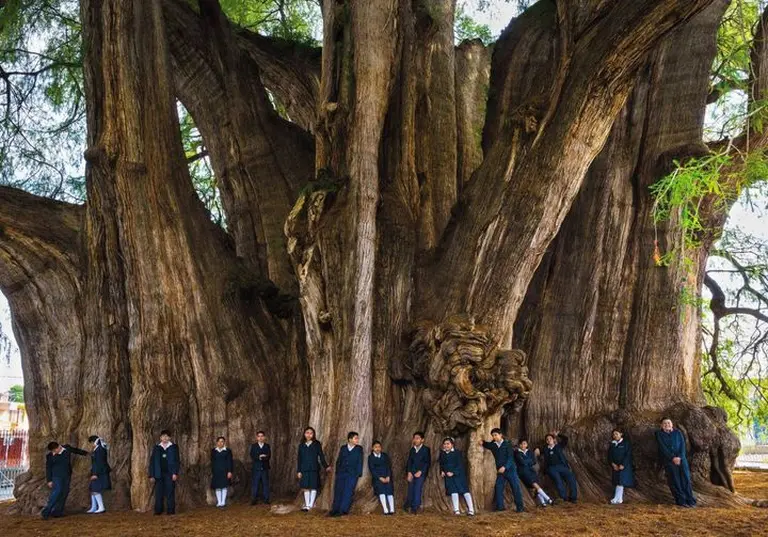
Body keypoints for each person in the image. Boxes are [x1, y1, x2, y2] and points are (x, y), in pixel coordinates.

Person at [479, 428, 525, 512]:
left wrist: (505, 467)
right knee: (498, 486)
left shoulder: (507, 444)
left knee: (515, 487)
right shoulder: (493, 445)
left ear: (500, 435)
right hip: (500, 471)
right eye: (493, 436)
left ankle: (520, 507)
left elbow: (510, 458)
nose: (494, 437)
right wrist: (483, 442)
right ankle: (500, 507)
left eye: (495, 435)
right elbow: (487, 445)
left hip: (510, 470)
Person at [41, 441, 88, 520]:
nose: (54, 452)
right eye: (53, 451)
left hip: (67, 475)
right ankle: (46, 511)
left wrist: (86, 453)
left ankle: (57, 512)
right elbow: (48, 468)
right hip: (56, 476)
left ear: (58, 447)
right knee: (57, 492)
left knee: (65, 492)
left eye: (55, 450)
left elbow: (76, 450)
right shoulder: (50, 456)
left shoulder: (67, 448)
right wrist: (49, 480)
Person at [655, 418, 696, 507]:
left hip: (682, 460)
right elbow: (663, 448)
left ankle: (690, 500)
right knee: (675, 481)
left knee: (686, 479)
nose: (667, 425)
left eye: (668, 423)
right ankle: (681, 501)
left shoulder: (678, 433)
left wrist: (680, 457)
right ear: (661, 426)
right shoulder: (659, 434)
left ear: (672, 424)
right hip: (669, 461)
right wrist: (672, 458)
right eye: (664, 423)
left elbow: (682, 446)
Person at [329, 431, 364, 517]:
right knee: (338, 490)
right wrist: (337, 471)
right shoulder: (343, 448)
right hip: (341, 473)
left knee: (348, 491)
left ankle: (343, 510)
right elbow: (339, 460)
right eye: (355, 438)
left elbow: (360, 461)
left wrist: (358, 473)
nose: (357, 440)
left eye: (357, 438)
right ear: (350, 439)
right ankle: (335, 509)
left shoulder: (359, 449)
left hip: (352, 474)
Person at [297, 426, 331, 511]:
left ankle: (311, 505)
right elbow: (299, 459)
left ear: (313, 434)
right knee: (305, 487)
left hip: (314, 468)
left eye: (311, 433)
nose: (309, 435)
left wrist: (326, 466)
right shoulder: (301, 445)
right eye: (307, 433)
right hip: (304, 469)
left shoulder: (317, 444)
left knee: (313, 486)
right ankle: (307, 504)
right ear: (304, 434)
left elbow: (321, 456)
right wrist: (299, 471)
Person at [439, 437, 475, 516]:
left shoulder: (457, 453)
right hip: (448, 475)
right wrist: (442, 471)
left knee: (465, 491)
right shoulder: (442, 453)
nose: (446, 445)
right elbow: (442, 464)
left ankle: (471, 510)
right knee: (453, 491)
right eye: (444, 444)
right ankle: (456, 510)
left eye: (448, 444)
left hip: (459, 475)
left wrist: (453, 472)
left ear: (452, 445)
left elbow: (460, 464)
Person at [149, 430, 180, 515]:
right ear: (160, 438)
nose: (165, 438)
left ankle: (170, 511)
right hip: (158, 473)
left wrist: (175, 473)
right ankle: (158, 510)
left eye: (167, 436)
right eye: (163, 436)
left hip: (170, 473)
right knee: (159, 492)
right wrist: (151, 475)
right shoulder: (157, 448)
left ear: (169, 438)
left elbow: (177, 461)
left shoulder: (173, 447)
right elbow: (152, 462)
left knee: (170, 492)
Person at [514, 439, 553, 507]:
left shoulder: (530, 452)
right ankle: (548, 499)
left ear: (527, 445)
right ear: (519, 445)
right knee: (534, 483)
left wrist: (527, 461)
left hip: (531, 470)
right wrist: (528, 461)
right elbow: (522, 462)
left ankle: (543, 503)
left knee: (536, 484)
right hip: (523, 472)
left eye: (524, 444)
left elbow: (534, 461)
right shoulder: (517, 453)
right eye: (521, 444)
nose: (523, 445)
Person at [542, 432, 578, 503]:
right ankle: (564, 497)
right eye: (547, 439)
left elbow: (565, 439)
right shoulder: (545, 449)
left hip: (562, 466)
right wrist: (536, 448)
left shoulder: (558, 446)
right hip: (552, 468)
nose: (549, 440)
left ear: (553, 439)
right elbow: (538, 448)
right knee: (558, 480)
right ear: (546, 442)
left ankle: (573, 497)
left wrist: (558, 434)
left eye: (550, 438)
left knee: (571, 478)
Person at [404, 431, 430, 514]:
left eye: (418, 438)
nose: (415, 440)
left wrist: (421, 471)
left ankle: (415, 507)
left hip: (420, 473)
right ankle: (408, 505)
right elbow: (409, 462)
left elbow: (427, 462)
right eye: (414, 438)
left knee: (417, 489)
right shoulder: (412, 450)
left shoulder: (426, 449)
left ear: (422, 440)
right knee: (410, 489)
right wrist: (409, 472)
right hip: (412, 472)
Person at [368, 440, 395, 515]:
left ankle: (392, 509)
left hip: (387, 476)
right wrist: (380, 478)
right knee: (381, 491)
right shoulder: (371, 457)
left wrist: (388, 476)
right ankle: (385, 509)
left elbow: (388, 466)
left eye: (379, 447)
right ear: (372, 448)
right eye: (376, 447)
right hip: (378, 478)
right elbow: (372, 469)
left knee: (389, 491)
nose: (378, 448)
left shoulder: (385, 456)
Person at [608, 428, 635, 504]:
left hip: (624, 466)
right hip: (615, 466)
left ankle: (617, 498)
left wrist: (623, 464)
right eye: (613, 434)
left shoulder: (626, 444)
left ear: (621, 434)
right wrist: (613, 464)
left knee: (621, 481)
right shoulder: (612, 444)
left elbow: (628, 455)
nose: (615, 436)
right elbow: (609, 455)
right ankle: (619, 499)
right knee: (617, 481)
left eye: (616, 434)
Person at [86, 436, 111, 514]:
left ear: (93, 442)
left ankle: (101, 507)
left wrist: (95, 474)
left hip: (100, 473)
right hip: (97, 472)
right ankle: (94, 507)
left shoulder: (99, 450)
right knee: (93, 489)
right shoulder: (98, 449)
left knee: (95, 489)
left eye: (91, 443)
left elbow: (99, 463)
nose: (91, 445)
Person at [211, 436, 233, 508]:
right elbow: (212, 461)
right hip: (216, 471)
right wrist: (213, 471)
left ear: (224, 443)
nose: (220, 443)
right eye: (219, 441)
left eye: (222, 441)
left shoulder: (228, 451)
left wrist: (229, 471)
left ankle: (223, 502)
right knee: (217, 487)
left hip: (225, 471)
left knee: (224, 486)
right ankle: (219, 502)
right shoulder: (214, 451)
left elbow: (230, 461)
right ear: (217, 442)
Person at [249, 430, 271, 505]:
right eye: (259, 436)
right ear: (257, 438)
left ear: (264, 437)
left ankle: (266, 499)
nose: (260, 438)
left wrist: (263, 457)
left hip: (265, 468)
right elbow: (252, 455)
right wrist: (259, 457)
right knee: (255, 484)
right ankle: (254, 499)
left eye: (262, 436)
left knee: (265, 484)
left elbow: (268, 456)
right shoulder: (254, 446)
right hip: (256, 468)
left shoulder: (267, 446)